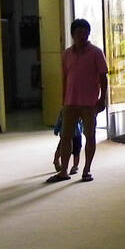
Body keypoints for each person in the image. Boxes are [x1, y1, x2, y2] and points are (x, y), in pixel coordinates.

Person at [49, 18, 107, 183]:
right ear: (72, 34)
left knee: (90, 136)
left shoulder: (96, 52)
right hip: (70, 103)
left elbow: (103, 77)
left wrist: (102, 99)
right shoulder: (67, 54)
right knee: (65, 137)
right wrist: (63, 101)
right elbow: (65, 78)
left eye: (84, 32)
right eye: (78, 32)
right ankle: (63, 171)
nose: (81, 36)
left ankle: (86, 170)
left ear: (88, 33)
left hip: (89, 104)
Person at [52, 109, 83, 175]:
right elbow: (59, 121)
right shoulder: (64, 110)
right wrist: (56, 129)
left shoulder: (81, 109)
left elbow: (82, 122)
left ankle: (75, 166)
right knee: (61, 149)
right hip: (66, 133)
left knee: (77, 152)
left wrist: (82, 130)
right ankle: (56, 160)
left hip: (77, 134)